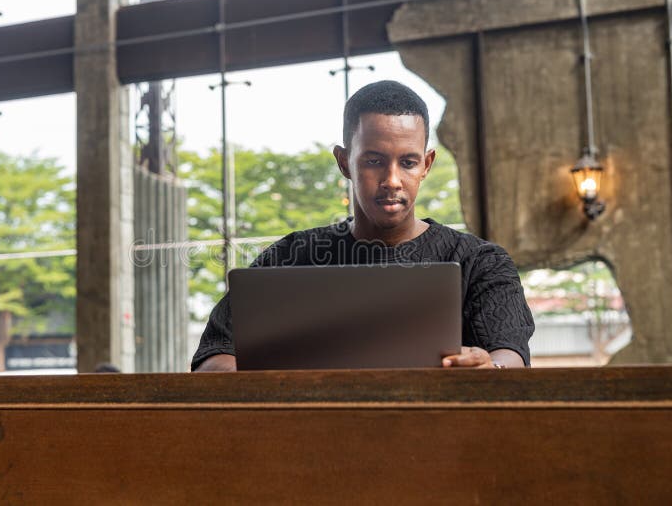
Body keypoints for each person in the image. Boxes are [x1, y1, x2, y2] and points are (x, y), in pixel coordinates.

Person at [192, 80, 534, 372]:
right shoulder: (289, 258)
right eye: (374, 161)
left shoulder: (481, 263)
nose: (392, 180)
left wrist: (492, 368)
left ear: (427, 164)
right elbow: (213, 358)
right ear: (344, 162)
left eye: (409, 162)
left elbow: (510, 354)